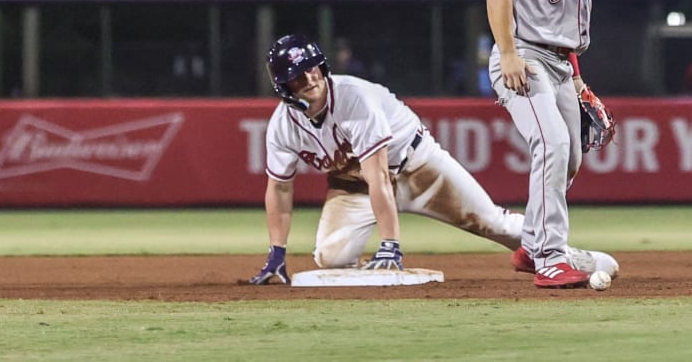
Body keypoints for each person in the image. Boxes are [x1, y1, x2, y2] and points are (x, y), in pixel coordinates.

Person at [247, 33, 619, 286]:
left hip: (417, 165)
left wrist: (390, 243)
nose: (310, 78)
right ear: (284, 87)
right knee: (329, 257)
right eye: (299, 75)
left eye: (313, 68)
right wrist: (276, 254)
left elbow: (380, 177)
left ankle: (567, 256)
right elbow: (279, 191)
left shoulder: (353, 98)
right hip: (354, 187)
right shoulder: (283, 126)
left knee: (493, 223)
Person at [485, 0, 619, 289]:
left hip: (561, 62)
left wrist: (579, 80)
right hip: (526, 53)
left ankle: (529, 245)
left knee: (572, 157)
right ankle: (549, 257)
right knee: (554, 145)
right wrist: (507, 53)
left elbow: (565, 22)